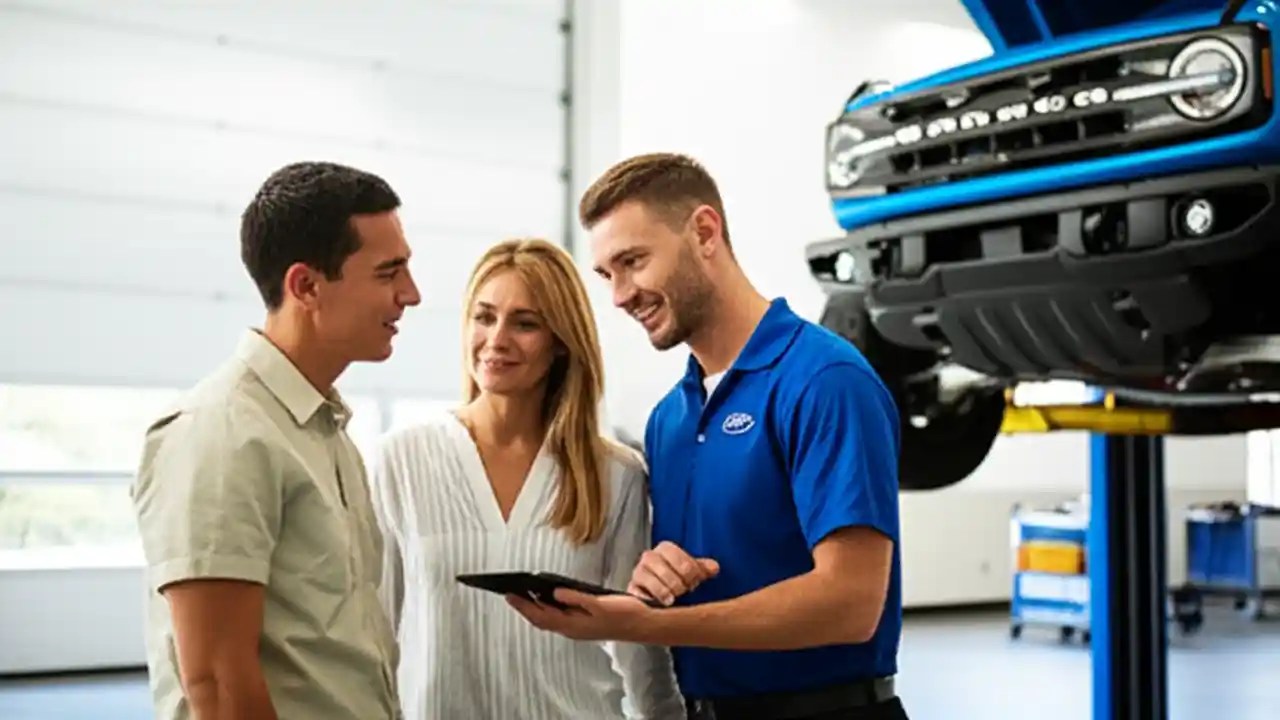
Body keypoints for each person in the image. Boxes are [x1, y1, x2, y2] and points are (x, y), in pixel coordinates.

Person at [508, 153, 909, 720]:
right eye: (607, 275)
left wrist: (649, 624)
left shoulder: (824, 381)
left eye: (633, 261)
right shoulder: (669, 420)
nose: (620, 295)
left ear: (703, 232)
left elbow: (850, 603)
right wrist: (655, 579)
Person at [130, 161, 421, 720]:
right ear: (306, 286)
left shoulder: (326, 432)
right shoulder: (220, 432)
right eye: (389, 273)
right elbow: (215, 682)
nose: (411, 294)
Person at [369, 238, 685, 720]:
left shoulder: (614, 474)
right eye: (484, 316)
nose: (497, 339)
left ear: (560, 342)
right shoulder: (404, 458)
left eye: (525, 323)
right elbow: (375, 634)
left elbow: (637, 644)